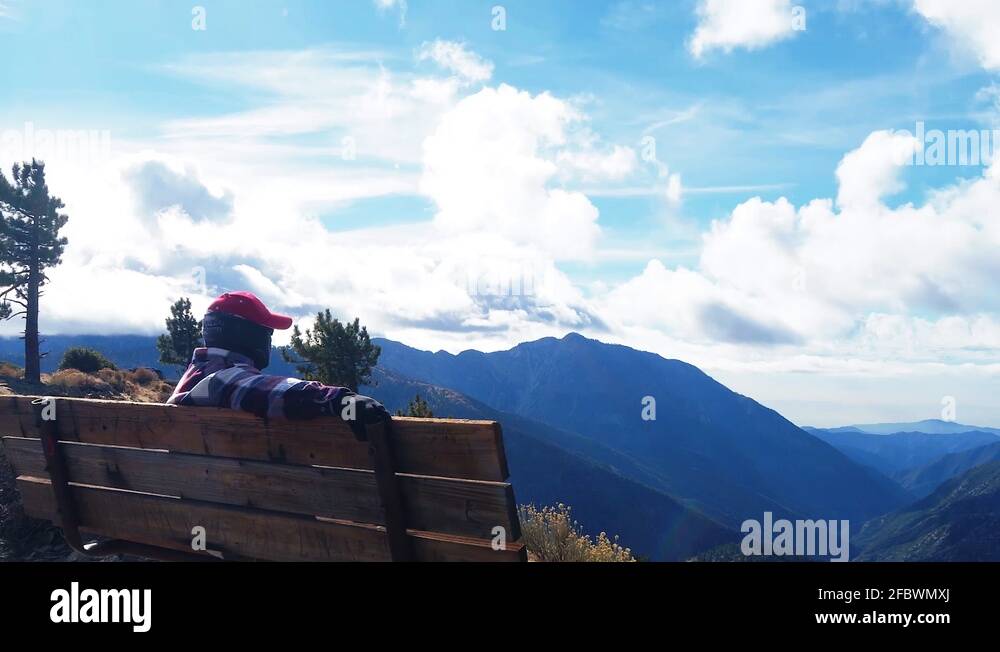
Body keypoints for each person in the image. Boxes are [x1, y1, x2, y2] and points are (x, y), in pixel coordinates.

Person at [166, 291, 390, 440]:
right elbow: (278, 393)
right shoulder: (219, 380)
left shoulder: (195, 374)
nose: (269, 342)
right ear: (248, 335)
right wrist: (344, 403)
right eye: (267, 333)